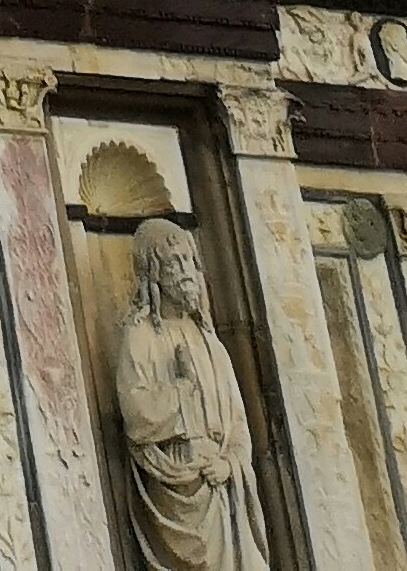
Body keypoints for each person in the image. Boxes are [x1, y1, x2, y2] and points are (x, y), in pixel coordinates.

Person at [113, 223, 269, 571]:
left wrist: (229, 464)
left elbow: (238, 424)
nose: (186, 273)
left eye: (189, 261)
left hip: (222, 483)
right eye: (174, 263)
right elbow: (136, 416)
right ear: (153, 272)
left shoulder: (211, 343)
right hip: (179, 480)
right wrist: (182, 389)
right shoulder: (140, 337)